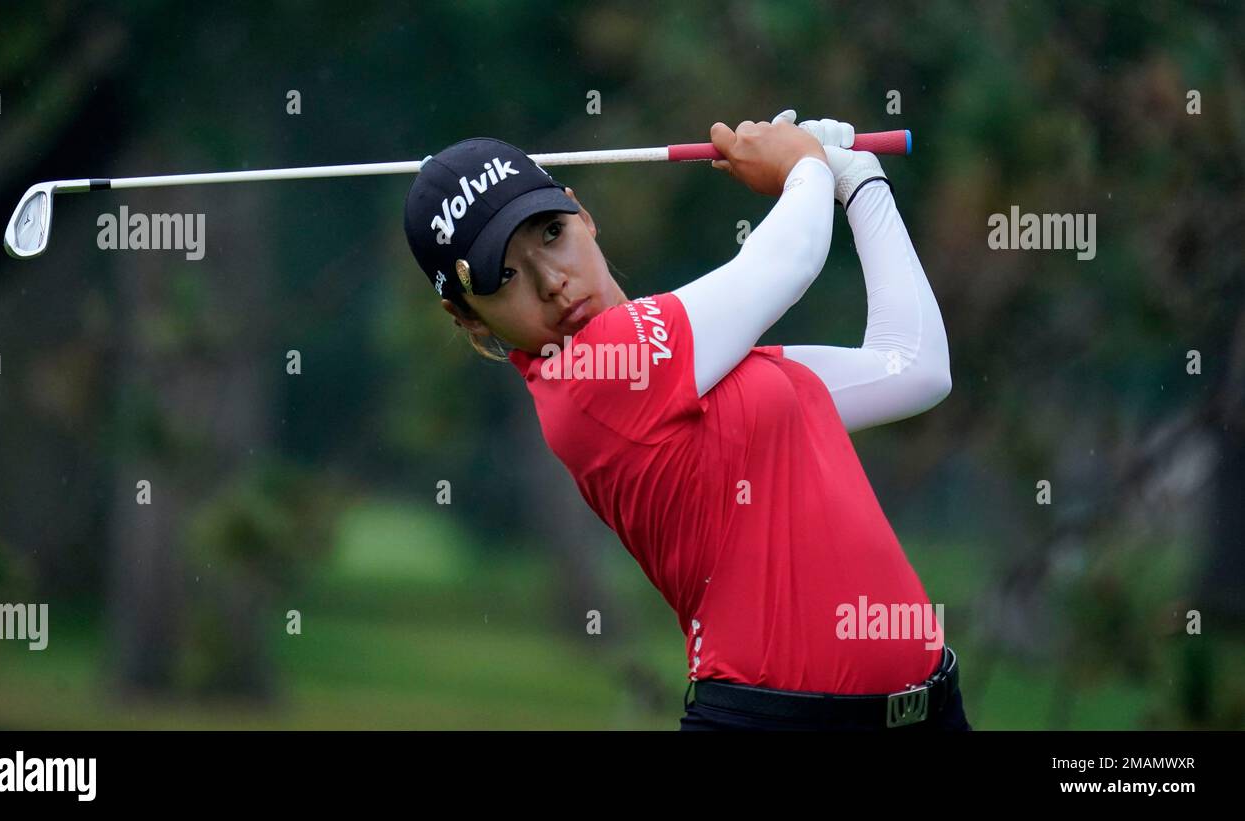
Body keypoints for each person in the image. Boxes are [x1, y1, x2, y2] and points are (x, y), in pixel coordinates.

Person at [402, 110, 972, 730]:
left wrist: (858, 181)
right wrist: (802, 163)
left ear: (582, 215)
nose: (553, 282)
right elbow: (791, 259)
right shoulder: (593, 373)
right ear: (469, 317)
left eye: (550, 234)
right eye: (505, 275)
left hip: (933, 710)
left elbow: (912, 369)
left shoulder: (694, 362)